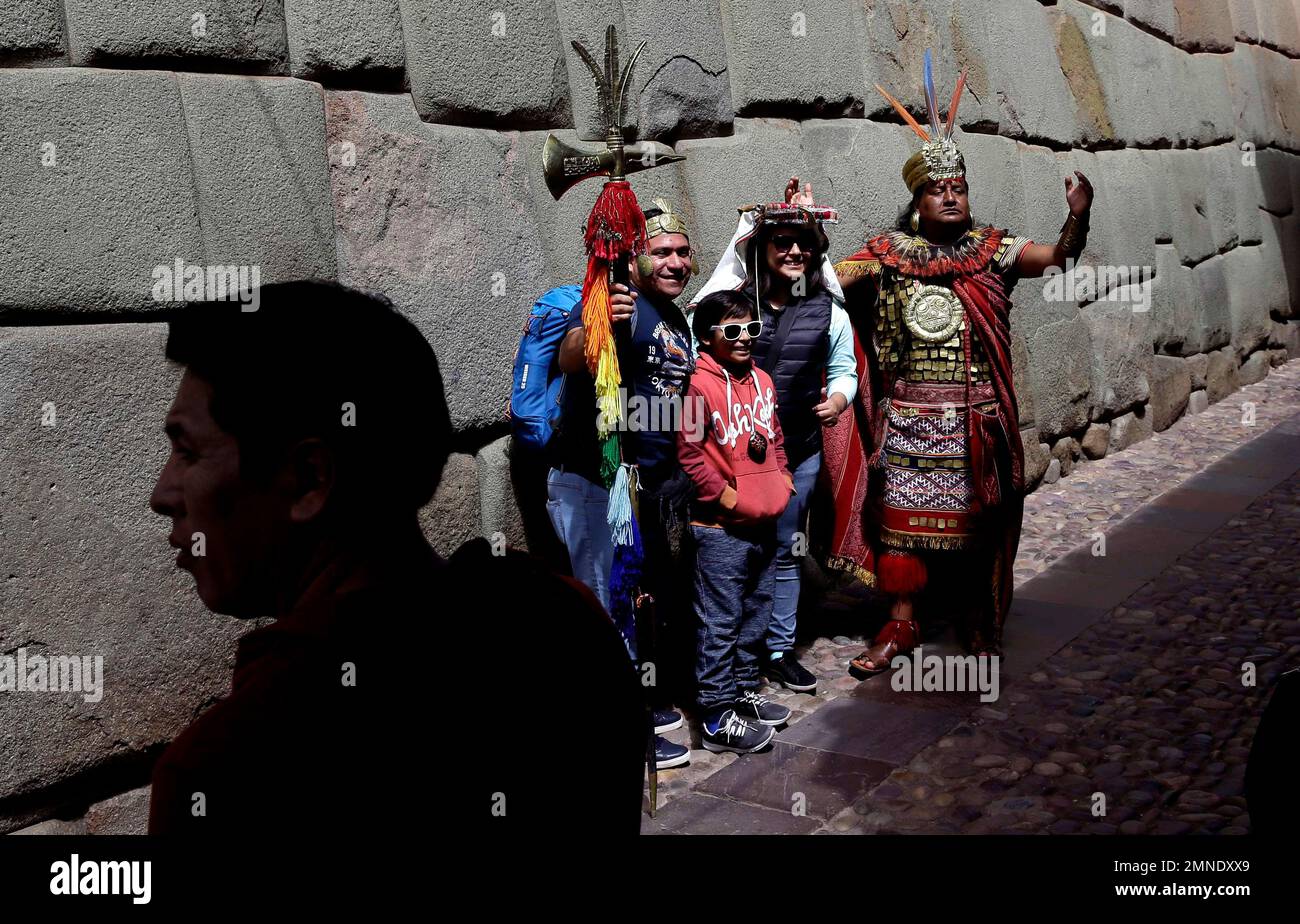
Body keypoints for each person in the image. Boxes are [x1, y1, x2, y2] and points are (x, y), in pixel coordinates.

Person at [147, 282, 643, 835]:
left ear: (310, 478)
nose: (162, 494)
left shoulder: (227, 772)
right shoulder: (568, 624)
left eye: (187, 452)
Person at [825, 53, 1094, 673]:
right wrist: (800, 231)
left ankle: (977, 622)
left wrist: (1076, 217)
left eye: (959, 187)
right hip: (910, 420)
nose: (950, 196)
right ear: (918, 198)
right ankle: (899, 626)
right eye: (937, 189)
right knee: (899, 526)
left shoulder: (992, 251)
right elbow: (828, 281)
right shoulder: (887, 254)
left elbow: (1056, 257)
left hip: (976, 417)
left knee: (975, 526)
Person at [690, 189, 857, 693]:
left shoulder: (829, 312)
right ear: (760, 247)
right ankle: (729, 663)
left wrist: (840, 400)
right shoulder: (734, 306)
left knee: (784, 551)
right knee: (729, 557)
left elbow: (844, 369)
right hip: (728, 456)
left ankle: (777, 648)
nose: (793, 252)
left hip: (796, 454)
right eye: (781, 241)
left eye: (803, 243)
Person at [555, 198, 698, 769]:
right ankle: (625, 735)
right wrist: (598, 325)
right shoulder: (616, 302)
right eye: (661, 251)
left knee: (638, 602)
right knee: (607, 607)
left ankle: (640, 702)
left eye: (683, 252)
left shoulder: (675, 315)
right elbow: (569, 359)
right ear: (636, 258)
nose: (675, 262)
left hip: (645, 489)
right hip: (596, 483)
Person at [678, 290, 796, 753]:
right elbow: (688, 453)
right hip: (719, 529)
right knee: (719, 621)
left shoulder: (763, 380)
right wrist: (726, 497)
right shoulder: (695, 385)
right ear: (708, 338)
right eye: (733, 330)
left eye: (752, 328)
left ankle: (744, 691)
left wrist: (782, 479)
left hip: (765, 521)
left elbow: (776, 437)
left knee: (756, 612)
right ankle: (714, 713)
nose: (745, 337)